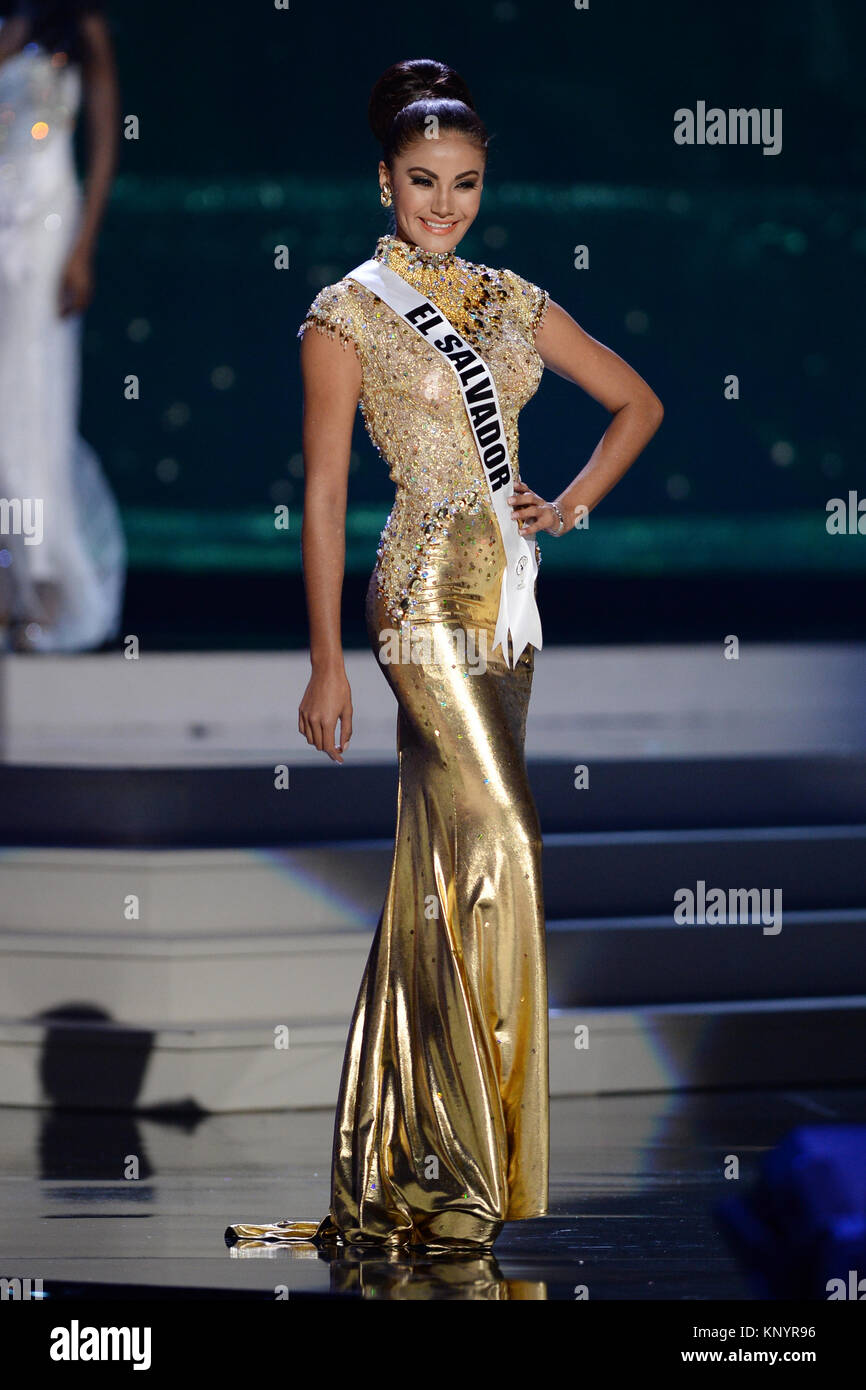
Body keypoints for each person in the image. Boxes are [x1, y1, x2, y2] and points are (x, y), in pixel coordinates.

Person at [226, 57, 663, 1254]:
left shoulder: (511, 299)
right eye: (422, 181)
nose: (443, 204)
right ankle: (470, 1162)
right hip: (415, 600)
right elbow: (320, 497)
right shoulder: (347, 311)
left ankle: (412, 1165)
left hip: (506, 610)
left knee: (444, 873)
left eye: (463, 184)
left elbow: (638, 403)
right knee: (507, 843)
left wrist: (564, 506)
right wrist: (324, 662)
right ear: (384, 178)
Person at [0, 0, 125, 651]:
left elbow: (103, 138)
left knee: (30, 403)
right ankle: (9, 585)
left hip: (47, 218)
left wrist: (83, 245)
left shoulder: (80, 25)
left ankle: (40, 587)